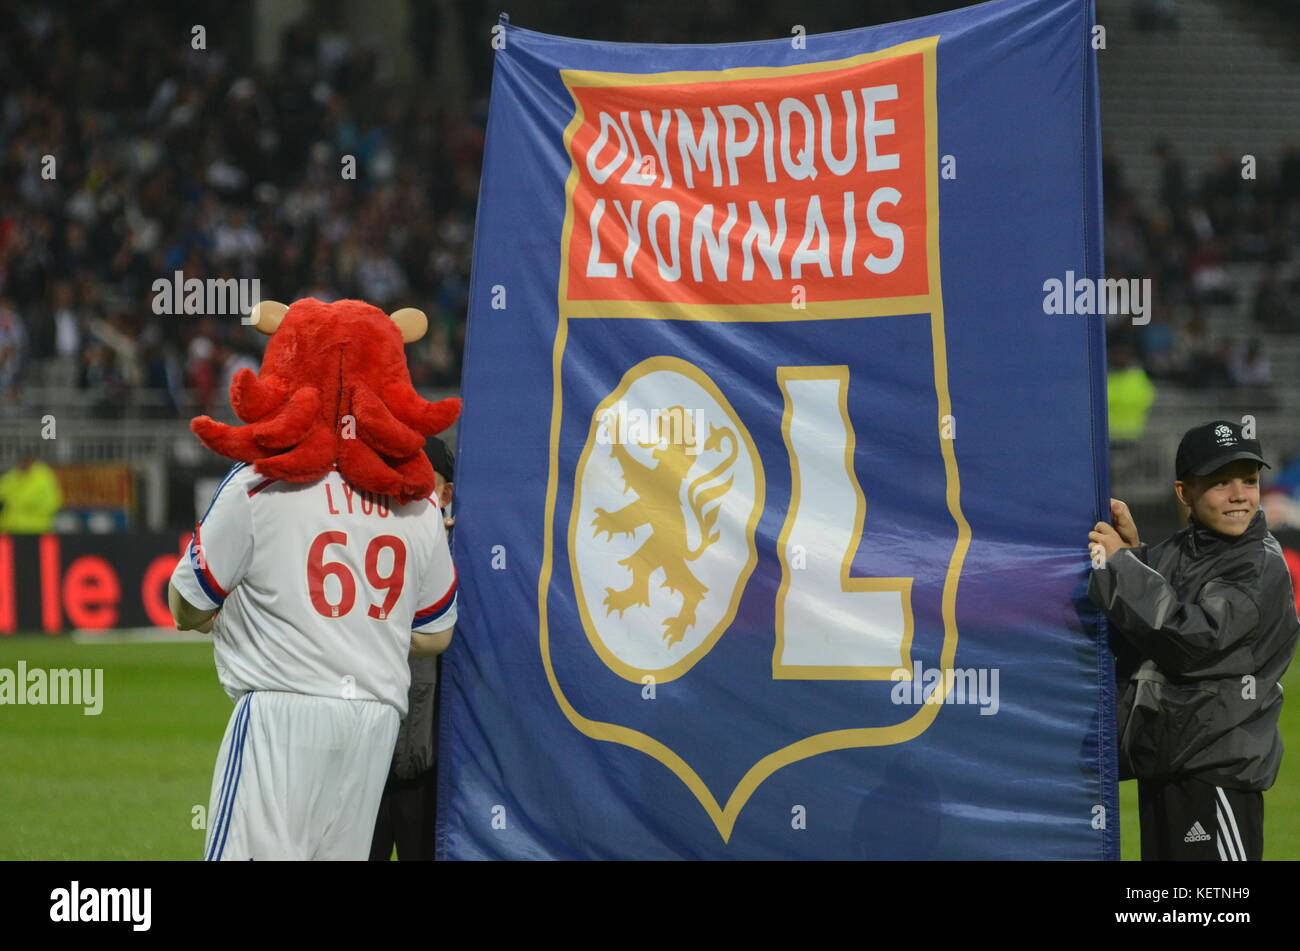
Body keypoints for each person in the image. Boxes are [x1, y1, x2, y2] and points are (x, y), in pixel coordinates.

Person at [1088, 420, 1300, 860]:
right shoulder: (1183, 548)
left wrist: (1124, 566)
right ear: (1184, 494)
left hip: (1215, 766)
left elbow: (1191, 637)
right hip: (1170, 761)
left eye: (1249, 480)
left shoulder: (1258, 564)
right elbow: (1146, 607)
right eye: (1220, 482)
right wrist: (1134, 552)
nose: (1239, 494)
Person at [370, 436, 455, 861]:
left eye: (422, 483)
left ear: (445, 493)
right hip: (365, 769)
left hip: (430, 775)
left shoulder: (469, 558)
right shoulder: (362, 545)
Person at [0, 455, 64, 533]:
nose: (25, 463)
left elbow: (52, 503)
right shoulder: (13, 476)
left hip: (37, 529)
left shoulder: (43, 478)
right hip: (11, 528)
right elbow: (3, 492)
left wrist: (24, 504)